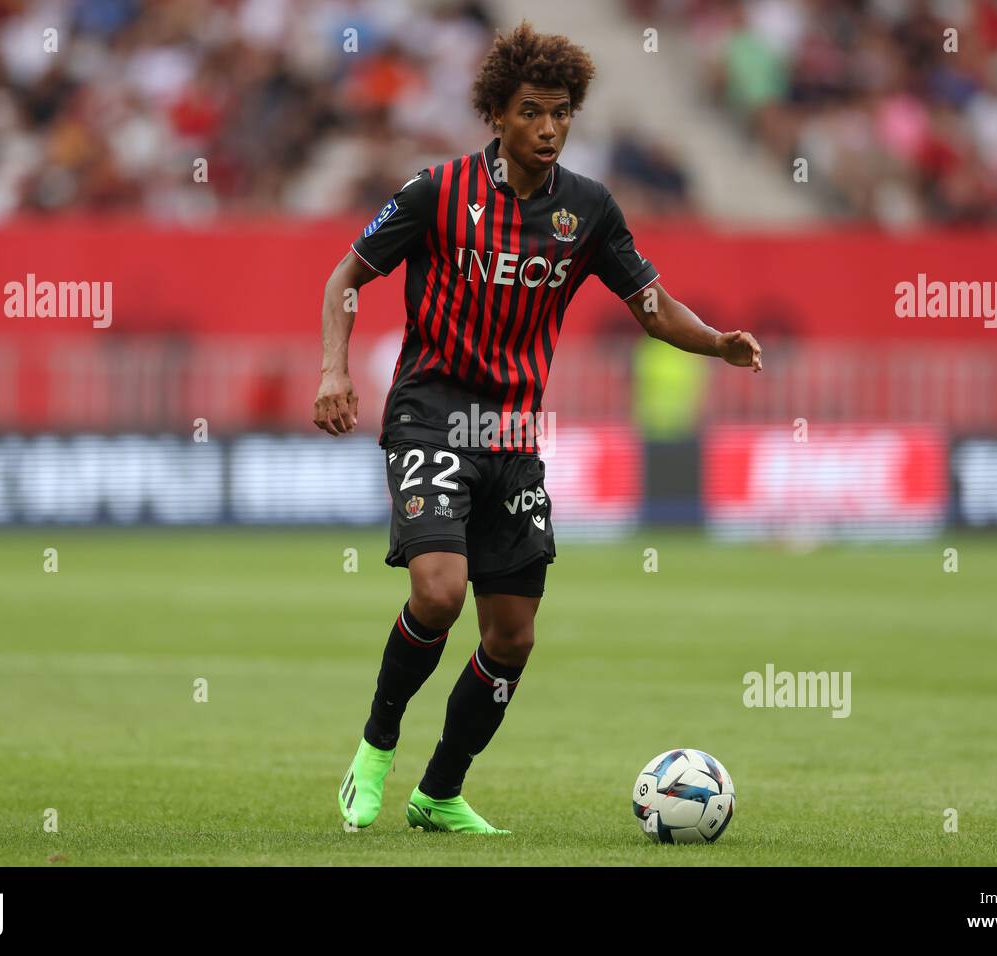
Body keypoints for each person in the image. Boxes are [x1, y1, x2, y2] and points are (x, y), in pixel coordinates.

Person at [314, 21, 761, 834]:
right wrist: (334, 369)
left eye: (561, 113)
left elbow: (652, 306)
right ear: (497, 114)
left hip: (513, 434)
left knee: (512, 638)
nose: (549, 128)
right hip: (432, 415)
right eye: (532, 112)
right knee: (439, 591)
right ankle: (377, 748)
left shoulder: (587, 210)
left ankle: (439, 791)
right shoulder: (437, 192)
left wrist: (716, 342)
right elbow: (348, 273)